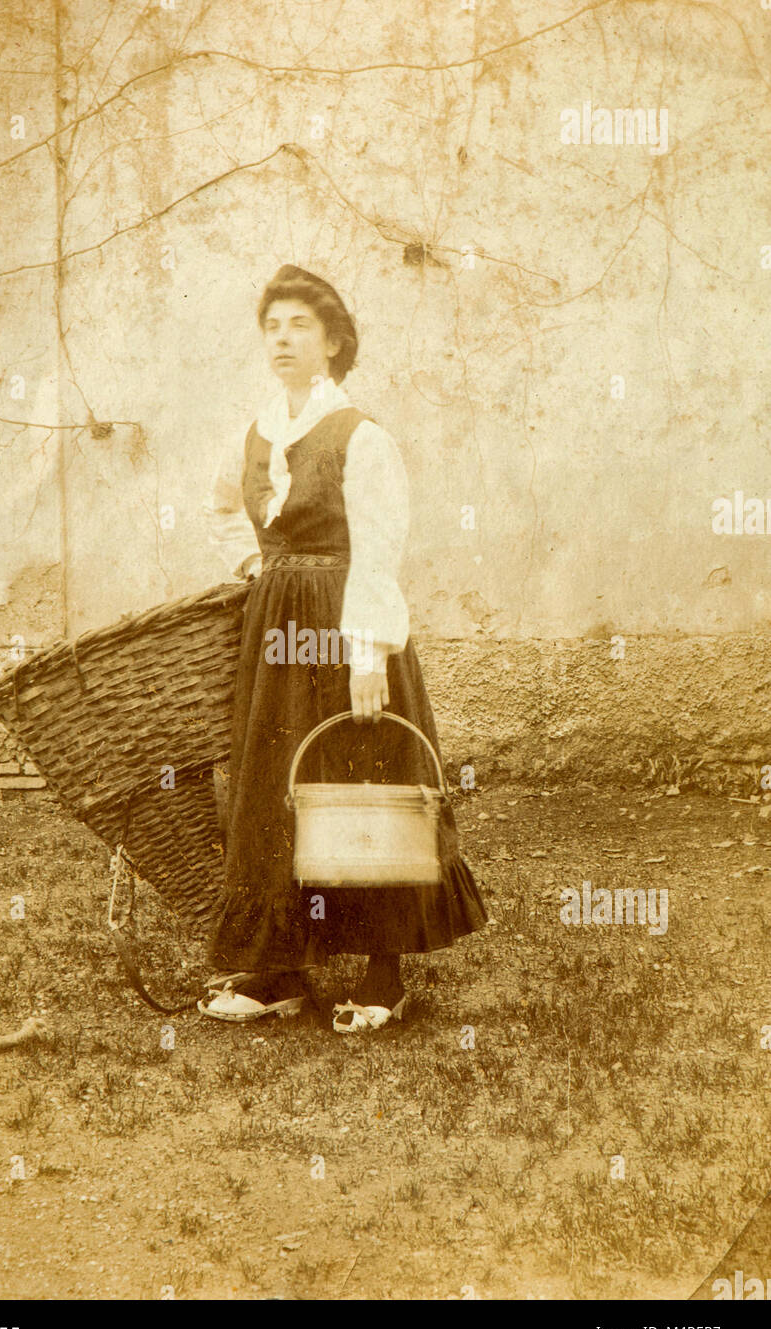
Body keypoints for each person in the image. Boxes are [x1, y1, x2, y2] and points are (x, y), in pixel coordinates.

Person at [200, 264, 486, 1032]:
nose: (283, 339)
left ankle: (383, 973)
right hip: (277, 631)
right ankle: (280, 967)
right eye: (272, 326)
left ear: (332, 343)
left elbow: (380, 547)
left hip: (346, 622)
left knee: (361, 782)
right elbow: (223, 508)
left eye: (299, 326)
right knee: (275, 785)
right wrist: (259, 569)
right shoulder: (254, 434)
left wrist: (366, 655)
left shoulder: (361, 437)